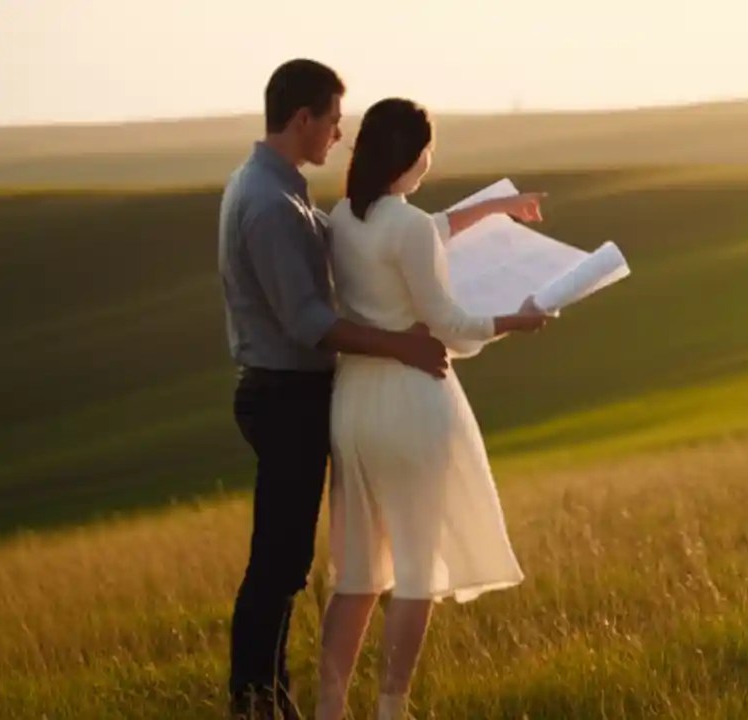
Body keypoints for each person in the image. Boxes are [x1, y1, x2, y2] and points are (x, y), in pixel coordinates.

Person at [217, 59, 453, 719]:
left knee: (285, 558)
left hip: (283, 392)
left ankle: (271, 699)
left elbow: (370, 239)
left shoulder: (272, 187)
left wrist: (476, 213)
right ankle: (254, 701)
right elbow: (310, 323)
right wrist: (403, 345)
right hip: (285, 395)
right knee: (279, 562)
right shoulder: (271, 204)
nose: (339, 135)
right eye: (333, 120)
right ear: (303, 119)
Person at [315, 98, 550, 720]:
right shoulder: (408, 226)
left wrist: (495, 207)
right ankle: (391, 709)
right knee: (417, 569)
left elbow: (431, 229)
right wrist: (516, 320)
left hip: (353, 403)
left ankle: (329, 707)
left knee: (357, 572)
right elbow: (448, 323)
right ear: (415, 155)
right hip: (411, 403)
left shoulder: (344, 218)